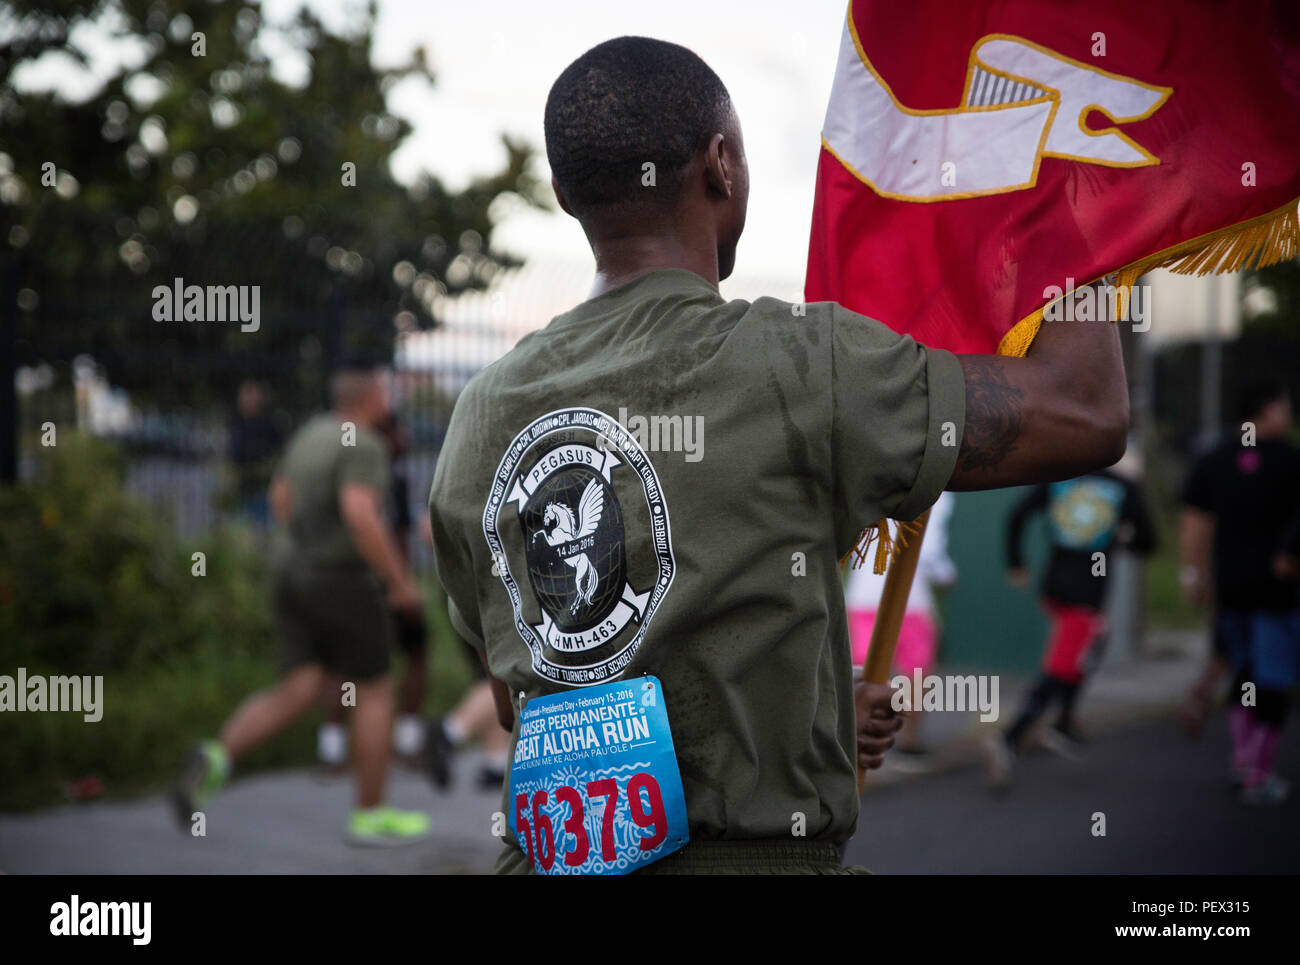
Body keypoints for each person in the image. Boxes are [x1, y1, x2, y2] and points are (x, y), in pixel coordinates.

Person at [426, 37, 1128, 875]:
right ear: (721, 165)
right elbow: (1083, 411)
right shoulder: (797, 362)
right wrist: (1064, 176)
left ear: (563, 193)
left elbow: (527, 697)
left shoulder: (479, 414)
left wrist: (818, 704)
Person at [172, 364, 431, 844]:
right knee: (374, 687)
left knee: (301, 685)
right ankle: (371, 815)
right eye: (385, 393)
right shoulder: (365, 445)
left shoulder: (310, 435)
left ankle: (215, 757)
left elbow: (280, 499)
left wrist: (306, 545)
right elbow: (360, 515)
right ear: (372, 397)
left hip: (289, 571)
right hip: (341, 579)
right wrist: (398, 583)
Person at [984, 457, 1156, 786]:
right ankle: (1010, 737)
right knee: (1062, 666)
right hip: (1088, 592)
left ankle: (1062, 721)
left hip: (1055, 585)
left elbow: (1015, 515)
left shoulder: (1059, 475)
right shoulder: (1123, 486)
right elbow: (1148, 541)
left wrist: (1016, 563)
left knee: (1090, 645)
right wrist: (1119, 537)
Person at [1179, 380, 1300, 805]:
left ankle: (1241, 760)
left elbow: (1195, 521)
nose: (1288, 413)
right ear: (1269, 408)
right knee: (1273, 680)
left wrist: (1192, 575)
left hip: (1230, 588)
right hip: (1276, 590)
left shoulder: (1216, 458)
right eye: (1285, 405)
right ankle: (1257, 772)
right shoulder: (1290, 460)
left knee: (1242, 674)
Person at [316, 413, 431, 771]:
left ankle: (331, 749)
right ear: (385, 436)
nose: (406, 437)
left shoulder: (345, 470)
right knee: (415, 654)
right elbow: (394, 536)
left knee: (342, 664)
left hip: (346, 582)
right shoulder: (386, 474)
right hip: (382, 584)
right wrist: (402, 584)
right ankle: (406, 742)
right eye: (398, 430)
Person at [845, 491, 956, 763]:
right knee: (916, 672)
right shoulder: (936, 494)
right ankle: (908, 743)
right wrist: (946, 575)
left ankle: (849, 742)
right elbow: (930, 551)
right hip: (908, 596)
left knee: (860, 671)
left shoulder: (873, 480)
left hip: (863, 593)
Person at [228, 379, 284, 529]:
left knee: (260, 526)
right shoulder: (238, 423)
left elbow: (274, 453)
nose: (244, 400)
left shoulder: (268, 424)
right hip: (243, 486)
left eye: (249, 395)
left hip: (261, 486)